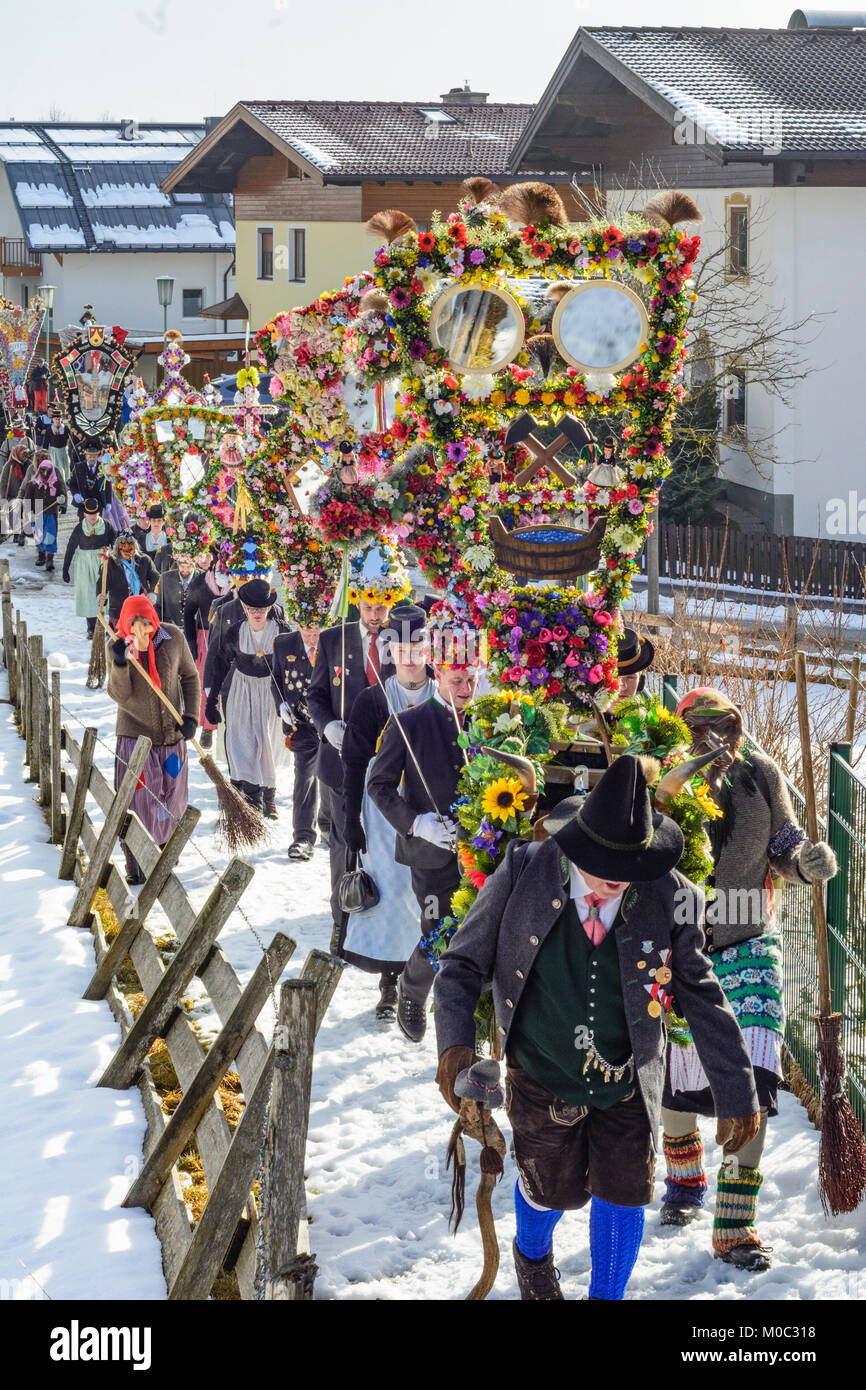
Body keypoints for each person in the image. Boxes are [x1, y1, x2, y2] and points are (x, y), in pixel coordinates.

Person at [434, 755, 761, 1301]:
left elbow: (702, 993)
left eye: (631, 864)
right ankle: (533, 1260)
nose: (617, 878)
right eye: (604, 863)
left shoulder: (670, 894)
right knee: (547, 1190)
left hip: (628, 1075)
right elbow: (461, 965)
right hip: (541, 1070)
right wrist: (455, 1049)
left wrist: (736, 1090)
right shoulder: (524, 870)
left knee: (625, 1192)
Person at [659, 687, 838, 1270]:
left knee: (755, 1077)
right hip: (685, 946)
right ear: (683, 732)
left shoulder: (763, 774)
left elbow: (784, 846)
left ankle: (735, 1228)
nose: (715, 742)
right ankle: (685, 1184)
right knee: (681, 1077)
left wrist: (806, 863)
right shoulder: (661, 772)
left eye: (727, 728)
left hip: (751, 943)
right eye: (701, 731)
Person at [367, 623, 481, 1041]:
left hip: (480, 847)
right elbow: (377, 785)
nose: (466, 688)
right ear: (438, 673)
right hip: (430, 854)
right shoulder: (408, 723)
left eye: (471, 679)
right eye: (458, 680)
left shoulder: (487, 724)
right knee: (439, 927)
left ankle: (470, 1011)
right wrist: (418, 824)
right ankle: (411, 990)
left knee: (475, 928)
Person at [339, 604, 436, 1023]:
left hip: (430, 807)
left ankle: (423, 984)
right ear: (389, 649)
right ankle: (389, 986)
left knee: (426, 900)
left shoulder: (443, 694)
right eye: (401, 647)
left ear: (429, 649)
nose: (409, 656)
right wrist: (348, 817)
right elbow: (354, 762)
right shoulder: (372, 700)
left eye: (417, 647)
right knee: (394, 899)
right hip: (381, 812)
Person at [306, 544, 402, 955]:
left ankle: (383, 933)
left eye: (383, 604)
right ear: (357, 599)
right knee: (343, 846)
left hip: (390, 767)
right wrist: (327, 727)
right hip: (339, 761)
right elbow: (315, 696)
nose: (376, 613)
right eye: (369, 603)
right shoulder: (333, 639)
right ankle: (339, 927)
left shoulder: (405, 642)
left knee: (384, 848)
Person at [107, 594, 200, 884]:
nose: (141, 629)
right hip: (136, 739)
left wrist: (191, 717)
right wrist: (121, 664)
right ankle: (134, 858)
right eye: (133, 623)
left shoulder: (173, 637)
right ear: (125, 623)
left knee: (171, 798)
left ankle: (163, 851)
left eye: (146, 622)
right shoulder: (117, 646)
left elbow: (190, 677)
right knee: (138, 800)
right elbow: (118, 695)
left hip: (172, 736)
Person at [203, 577, 289, 816]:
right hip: (241, 689)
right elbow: (220, 662)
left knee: (267, 743)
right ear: (244, 608)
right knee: (243, 742)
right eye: (251, 609)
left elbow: (292, 665)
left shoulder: (281, 632)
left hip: (270, 691)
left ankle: (269, 796)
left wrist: (292, 700)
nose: (257, 614)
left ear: (269, 608)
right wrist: (211, 700)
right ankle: (251, 797)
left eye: (261, 609)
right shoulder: (235, 632)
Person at [270, 621, 321, 859]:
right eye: (307, 630)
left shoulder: (336, 641)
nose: (313, 637)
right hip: (300, 722)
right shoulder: (283, 643)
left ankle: (330, 826)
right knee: (304, 776)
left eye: (317, 630)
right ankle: (303, 837)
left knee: (333, 778)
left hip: (331, 721)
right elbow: (277, 679)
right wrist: (281, 704)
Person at [183, 542, 227, 752]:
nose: (221, 564)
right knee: (204, 682)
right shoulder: (201, 582)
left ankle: (225, 725)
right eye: (218, 559)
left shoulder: (237, 585)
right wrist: (190, 641)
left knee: (227, 682)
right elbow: (188, 613)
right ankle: (207, 727)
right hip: (204, 636)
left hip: (229, 638)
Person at [62, 498, 116, 638]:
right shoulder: (80, 528)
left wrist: (115, 561)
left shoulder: (107, 526)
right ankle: (91, 628)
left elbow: (115, 545)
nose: (92, 516)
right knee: (88, 594)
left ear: (99, 512)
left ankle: (106, 625)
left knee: (104, 593)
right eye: (89, 513)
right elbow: (71, 547)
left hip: (101, 562)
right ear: (84, 514)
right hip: (84, 564)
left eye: (95, 513)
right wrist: (65, 569)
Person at [102, 530, 160, 628]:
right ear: (118, 549)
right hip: (118, 610)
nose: (127, 550)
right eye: (123, 548)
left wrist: (152, 594)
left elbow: (156, 578)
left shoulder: (144, 560)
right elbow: (102, 583)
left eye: (130, 547)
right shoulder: (110, 563)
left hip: (142, 608)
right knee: (119, 640)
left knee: (142, 638)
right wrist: (101, 595)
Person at [23, 451, 67, 573]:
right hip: (37, 513)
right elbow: (27, 499)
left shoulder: (56, 483)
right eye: (42, 470)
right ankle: (41, 555)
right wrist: (29, 513)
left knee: (51, 535)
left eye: (47, 470)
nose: (45, 473)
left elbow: (62, 492)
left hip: (51, 513)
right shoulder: (33, 484)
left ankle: (50, 559)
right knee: (39, 535)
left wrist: (62, 501)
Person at [0, 440, 33, 545]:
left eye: (27, 454)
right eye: (23, 454)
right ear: (18, 454)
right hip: (12, 495)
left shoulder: (29, 465)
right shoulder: (9, 466)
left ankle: (23, 534)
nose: (26, 456)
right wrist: (3, 497)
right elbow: (3, 483)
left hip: (25, 495)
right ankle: (16, 535)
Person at [71, 445, 113, 519]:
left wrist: (108, 502)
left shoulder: (103, 467)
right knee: (83, 524)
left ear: (97, 456)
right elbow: (72, 484)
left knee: (97, 523)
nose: (92, 459)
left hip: (98, 502)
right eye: (90, 456)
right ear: (86, 456)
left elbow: (108, 486)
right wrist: (76, 494)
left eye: (94, 457)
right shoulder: (78, 467)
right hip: (83, 502)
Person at [133, 503, 173, 572]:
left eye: (159, 520)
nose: (156, 524)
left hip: (165, 578)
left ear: (163, 522)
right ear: (149, 521)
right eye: (154, 520)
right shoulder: (141, 539)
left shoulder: (170, 540)